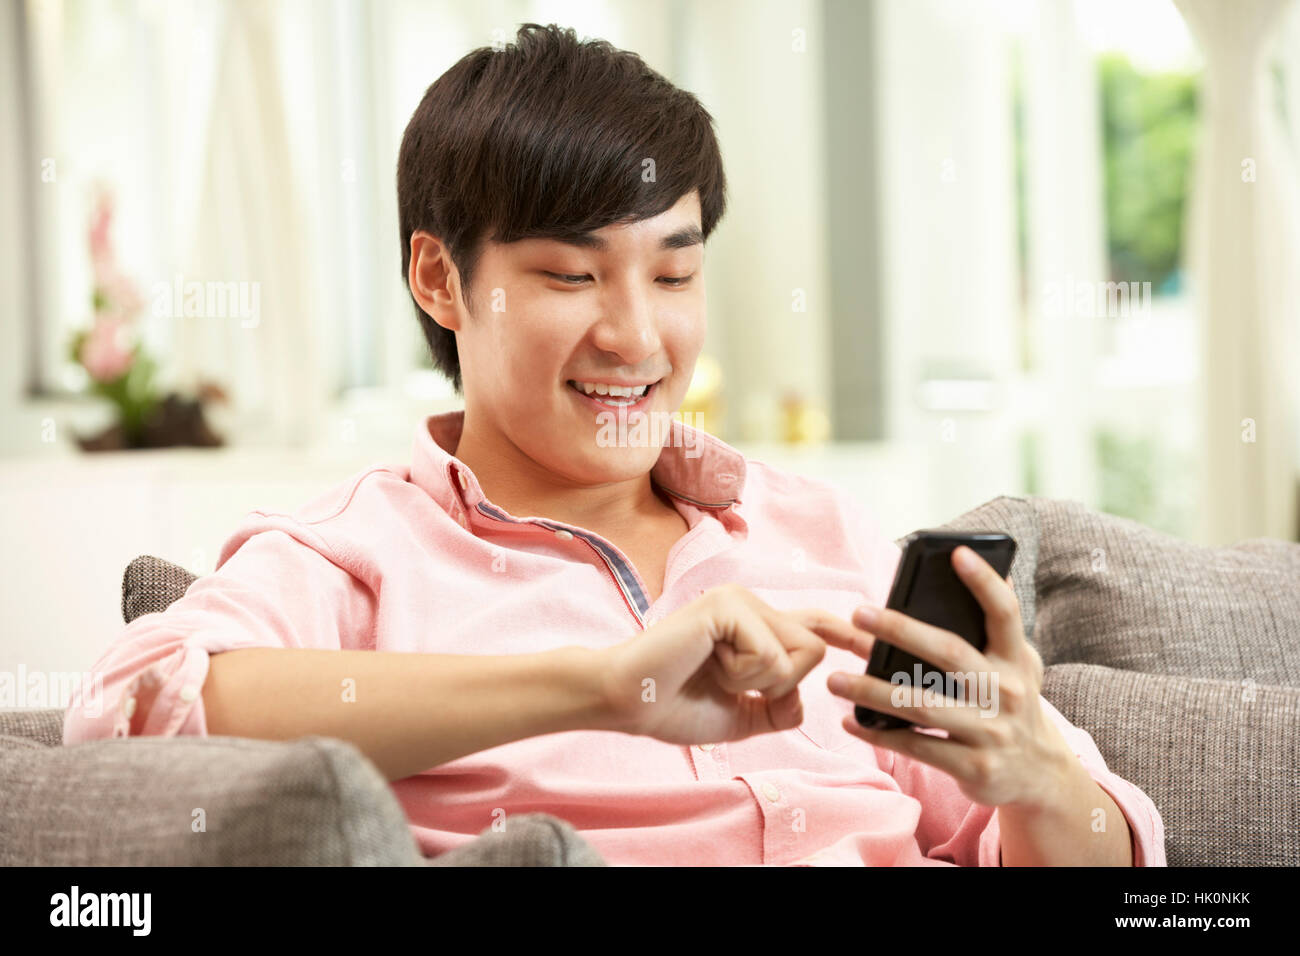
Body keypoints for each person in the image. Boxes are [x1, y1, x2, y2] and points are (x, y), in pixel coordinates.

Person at [64, 23, 1165, 867]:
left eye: (675, 274)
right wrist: (598, 688)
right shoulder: (357, 551)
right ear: (441, 279)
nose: (638, 336)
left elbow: (1113, 855)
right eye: (570, 274)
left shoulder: (813, 531)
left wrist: (1034, 776)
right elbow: (130, 715)